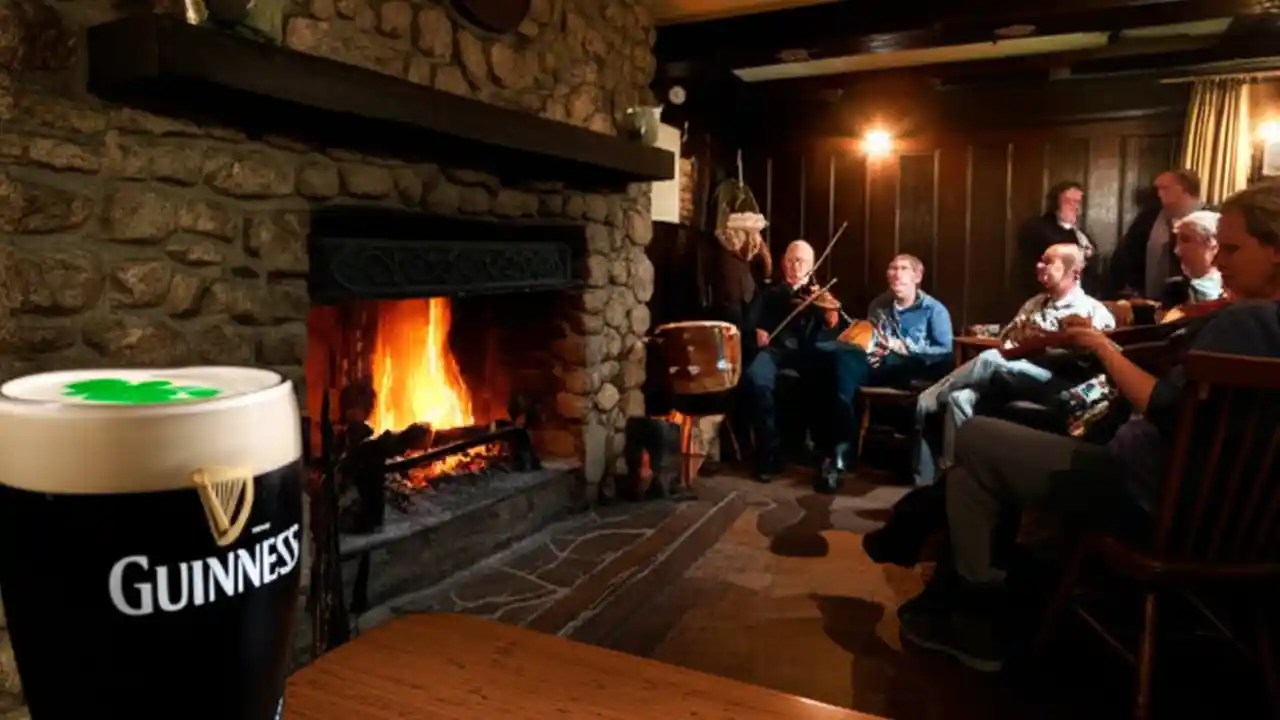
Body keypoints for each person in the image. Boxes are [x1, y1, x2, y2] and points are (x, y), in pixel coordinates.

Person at [895, 181, 1280, 673]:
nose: (1219, 258)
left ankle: (979, 605)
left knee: (975, 435)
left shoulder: (1248, 321)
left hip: (1154, 500)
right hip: (1241, 519)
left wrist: (1101, 347)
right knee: (975, 466)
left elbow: (1165, 406)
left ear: (1274, 249)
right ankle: (974, 604)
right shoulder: (1247, 319)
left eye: (1231, 248)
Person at [913, 243, 1115, 486]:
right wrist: (1021, 337)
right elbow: (1006, 339)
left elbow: (1104, 363)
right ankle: (950, 480)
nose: (1039, 266)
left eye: (1048, 262)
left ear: (1073, 272)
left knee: (989, 359)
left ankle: (933, 396)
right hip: (1017, 375)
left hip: (1061, 384)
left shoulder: (1093, 310)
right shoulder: (1035, 303)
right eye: (1040, 259)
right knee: (960, 398)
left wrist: (1055, 344)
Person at [816, 254, 953, 492]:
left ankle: (840, 453)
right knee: (841, 360)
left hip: (911, 368)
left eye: (903, 268)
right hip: (876, 363)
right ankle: (838, 455)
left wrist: (907, 348)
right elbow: (872, 335)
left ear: (917, 276)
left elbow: (945, 351)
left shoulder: (934, 310)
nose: (896, 273)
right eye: (892, 268)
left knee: (845, 365)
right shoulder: (879, 304)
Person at [741, 239, 841, 481]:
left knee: (832, 378)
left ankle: (825, 456)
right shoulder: (769, 293)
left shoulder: (819, 295)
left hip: (808, 354)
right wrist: (758, 332)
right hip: (775, 351)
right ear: (784, 263)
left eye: (802, 261)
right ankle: (769, 452)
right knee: (755, 378)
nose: (796, 266)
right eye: (791, 260)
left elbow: (834, 330)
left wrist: (829, 317)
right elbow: (750, 324)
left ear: (812, 266)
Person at [1114, 169, 1206, 300]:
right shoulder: (1148, 218)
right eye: (1157, 189)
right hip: (1149, 298)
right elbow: (1128, 253)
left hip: (1198, 296)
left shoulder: (1210, 218)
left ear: (1184, 190)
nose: (1159, 194)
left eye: (1165, 188)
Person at [1016, 181, 1097, 296]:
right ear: (1055, 203)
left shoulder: (1081, 234)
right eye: (1069, 202)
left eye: (1078, 202)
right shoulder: (1036, 228)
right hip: (1045, 295)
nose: (1076, 207)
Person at [1158, 209, 1225, 318]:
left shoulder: (1235, 290)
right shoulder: (1175, 291)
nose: (1177, 251)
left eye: (1186, 240)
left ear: (1213, 244)